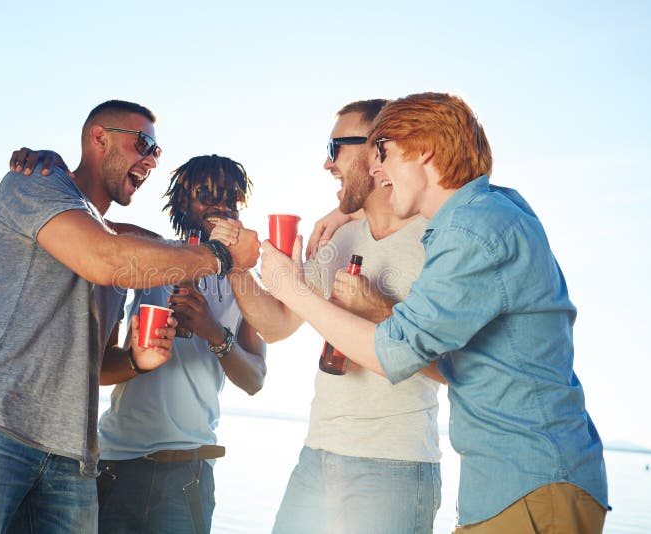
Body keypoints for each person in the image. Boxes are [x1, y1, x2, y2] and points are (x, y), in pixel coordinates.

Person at [259, 92, 610, 532]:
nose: (375, 170)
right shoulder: (487, 214)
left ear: (422, 150)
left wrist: (291, 288)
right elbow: (428, 348)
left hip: (532, 482)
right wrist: (351, 210)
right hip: (513, 484)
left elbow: (397, 353)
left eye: (382, 155)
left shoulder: (472, 229)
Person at [0, 100, 260, 533]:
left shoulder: (128, 250)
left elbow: (96, 363)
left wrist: (135, 361)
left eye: (157, 153)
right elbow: (103, 257)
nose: (150, 159)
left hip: (72, 457)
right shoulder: (36, 185)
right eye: (144, 143)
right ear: (99, 138)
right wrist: (222, 256)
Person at [218, 99, 444, 533]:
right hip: (317, 455)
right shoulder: (339, 237)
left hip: (394, 463)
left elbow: (450, 361)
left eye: (335, 146)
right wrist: (237, 265)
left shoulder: (432, 241)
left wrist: (375, 308)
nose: (326, 163)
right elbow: (278, 324)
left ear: (380, 150)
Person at [95, 154, 267, 534]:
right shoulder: (149, 260)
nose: (221, 205)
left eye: (230, 197)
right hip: (116, 465)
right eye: (207, 194)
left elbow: (255, 379)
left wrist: (213, 332)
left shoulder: (244, 285)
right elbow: (92, 225)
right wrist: (47, 165)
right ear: (182, 203)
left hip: (189, 474)